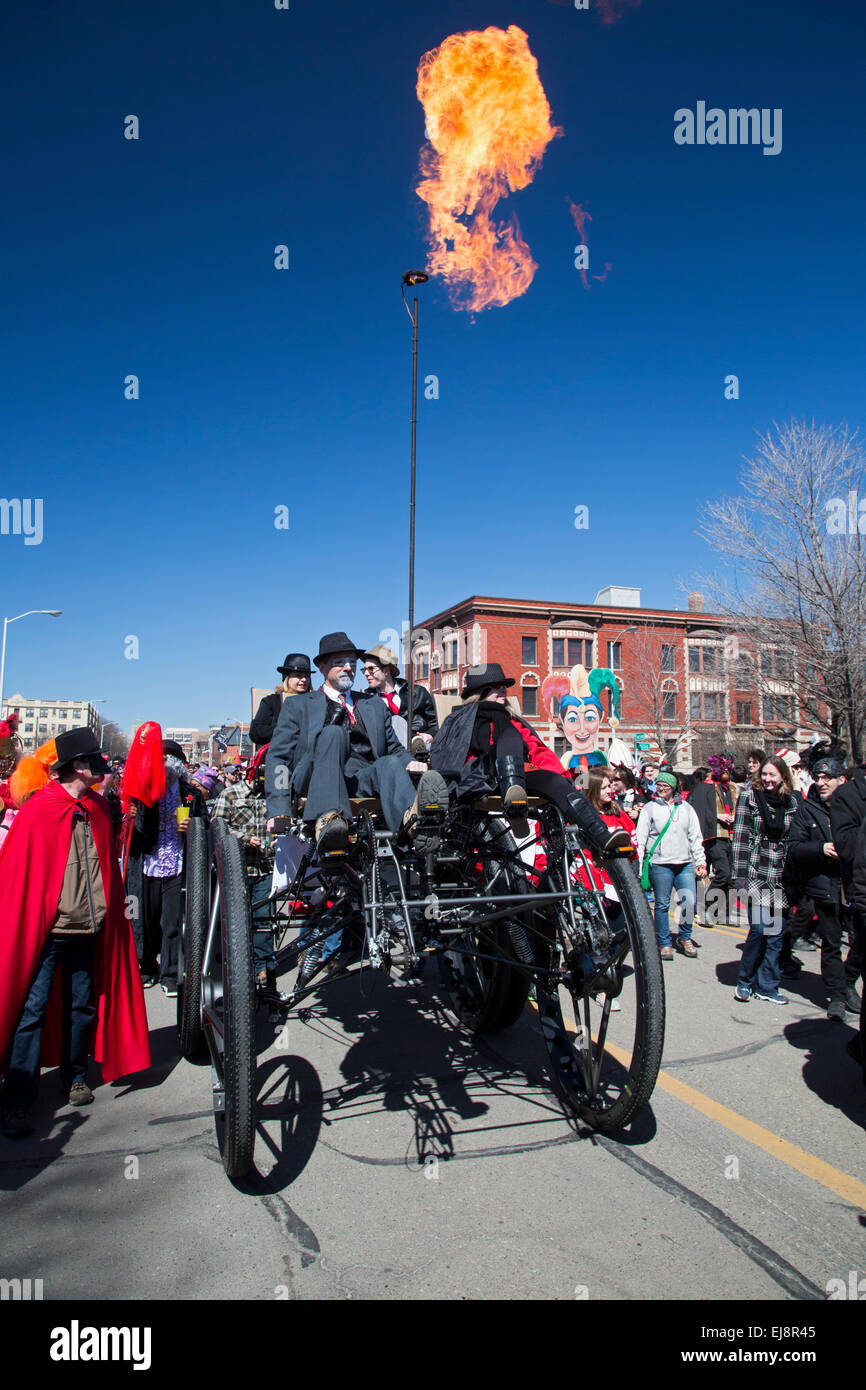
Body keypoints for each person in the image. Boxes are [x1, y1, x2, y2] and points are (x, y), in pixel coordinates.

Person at [0, 729, 151, 1137]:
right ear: (78, 766)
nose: (102, 766)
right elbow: (17, 873)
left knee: (82, 1006)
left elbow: (109, 866)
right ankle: (17, 1099)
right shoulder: (40, 809)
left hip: (90, 926)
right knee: (32, 1012)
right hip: (48, 930)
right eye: (95, 760)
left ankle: (75, 1076)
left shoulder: (100, 807)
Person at [266, 631, 445, 854]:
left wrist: (409, 762)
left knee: (389, 763)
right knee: (333, 734)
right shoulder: (298, 705)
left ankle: (416, 825)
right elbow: (279, 758)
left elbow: (393, 747)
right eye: (339, 662)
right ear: (322, 667)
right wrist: (279, 808)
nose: (349, 667)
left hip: (361, 777)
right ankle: (329, 820)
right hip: (315, 777)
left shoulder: (373, 704)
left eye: (351, 662)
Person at [428, 663, 630, 854]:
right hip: (482, 775)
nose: (503, 690)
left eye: (505, 686)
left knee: (558, 783)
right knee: (509, 737)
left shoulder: (514, 721)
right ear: (480, 692)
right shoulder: (460, 720)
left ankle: (602, 837)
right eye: (496, 687)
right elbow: (450, 755)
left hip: (523, 774)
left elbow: (539, 752)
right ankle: (514, 805)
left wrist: (564, 778)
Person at [122, 730, 207, 995]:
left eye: (172, 760)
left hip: (177, 863)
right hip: (147, 862)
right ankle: (146, 966)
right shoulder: (143, 792)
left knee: (172, 921)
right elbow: (124, 827)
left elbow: (205, 824)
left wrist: (193, 825)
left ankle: (171, 973)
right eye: (163, 760)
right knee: (143, 918)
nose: (168, 765)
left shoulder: (191, 794)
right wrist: (131, 815)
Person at [786, 756, 860, 1021]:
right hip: (825, 885)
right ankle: (837, 996)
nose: (821, 782)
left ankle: (849, 980)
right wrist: (821, 848)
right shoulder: (808, 809)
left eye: (826, 778)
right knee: (831, 943)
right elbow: (794, 846)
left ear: (841, 780)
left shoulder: (855, 807)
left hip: (854, 885)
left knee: (859, 942)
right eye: (817, 778)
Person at [731, 756, 799, 1004]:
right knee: (759, 930)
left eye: (773, 775)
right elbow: (740, 836)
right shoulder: (749, 797)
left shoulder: (791, 802)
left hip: (780, 875)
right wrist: (738, 877)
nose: (768, 780)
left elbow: (794, 838)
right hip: (755, 872)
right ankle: (744, 980)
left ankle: (767, 985)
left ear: (783, 776)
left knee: (776, 934)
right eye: (765, 774)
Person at [209, 762, 274, 989]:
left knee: (264, 919)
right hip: (239, 868)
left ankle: (263, 968)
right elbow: (217, 826)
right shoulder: (230, 794)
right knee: (237, 920)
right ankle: (237, 970)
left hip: (266, 866)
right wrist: (245, 839)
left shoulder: (274, 796)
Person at [636, 772, 707, 960]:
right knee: (661, 905)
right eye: (658, 785)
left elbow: (695, 837)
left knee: (689, 902)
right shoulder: (649, 809)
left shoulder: (686, 809)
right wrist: (640, 863)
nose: (660, 788)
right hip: (660, 864)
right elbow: (641, 839)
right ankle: (664, 942)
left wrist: (700, 861)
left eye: (665, 786)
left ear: (674, 788)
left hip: (684, 863)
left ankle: (684, 937)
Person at [689, 753, 739, 926]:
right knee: (723, 872)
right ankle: (706, 907)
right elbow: (699, 811)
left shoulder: (732, 788)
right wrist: (718, 816)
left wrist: (732, 816)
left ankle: (722, 912)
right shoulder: (705, 787)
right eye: (723, 768)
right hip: (714, 835)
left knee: (729, 876)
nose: (726, 771)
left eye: (728, 768)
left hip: (730, 835)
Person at [361, 644, 438, 747]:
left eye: (371, 669)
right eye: (364, 670)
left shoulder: (418, 693)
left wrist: (430, 735)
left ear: (386, 670)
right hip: (387, 752)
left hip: (421, 748)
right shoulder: (365, 699)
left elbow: (435, 724)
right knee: (396, 721)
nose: (366, 673)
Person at [250, 654, 312, 748]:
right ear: (286, 678)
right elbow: (257, 733)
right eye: (298, 675)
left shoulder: (316, 701)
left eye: (307, 676)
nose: (303, 680)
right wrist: (287, 728)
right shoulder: (271, 701)